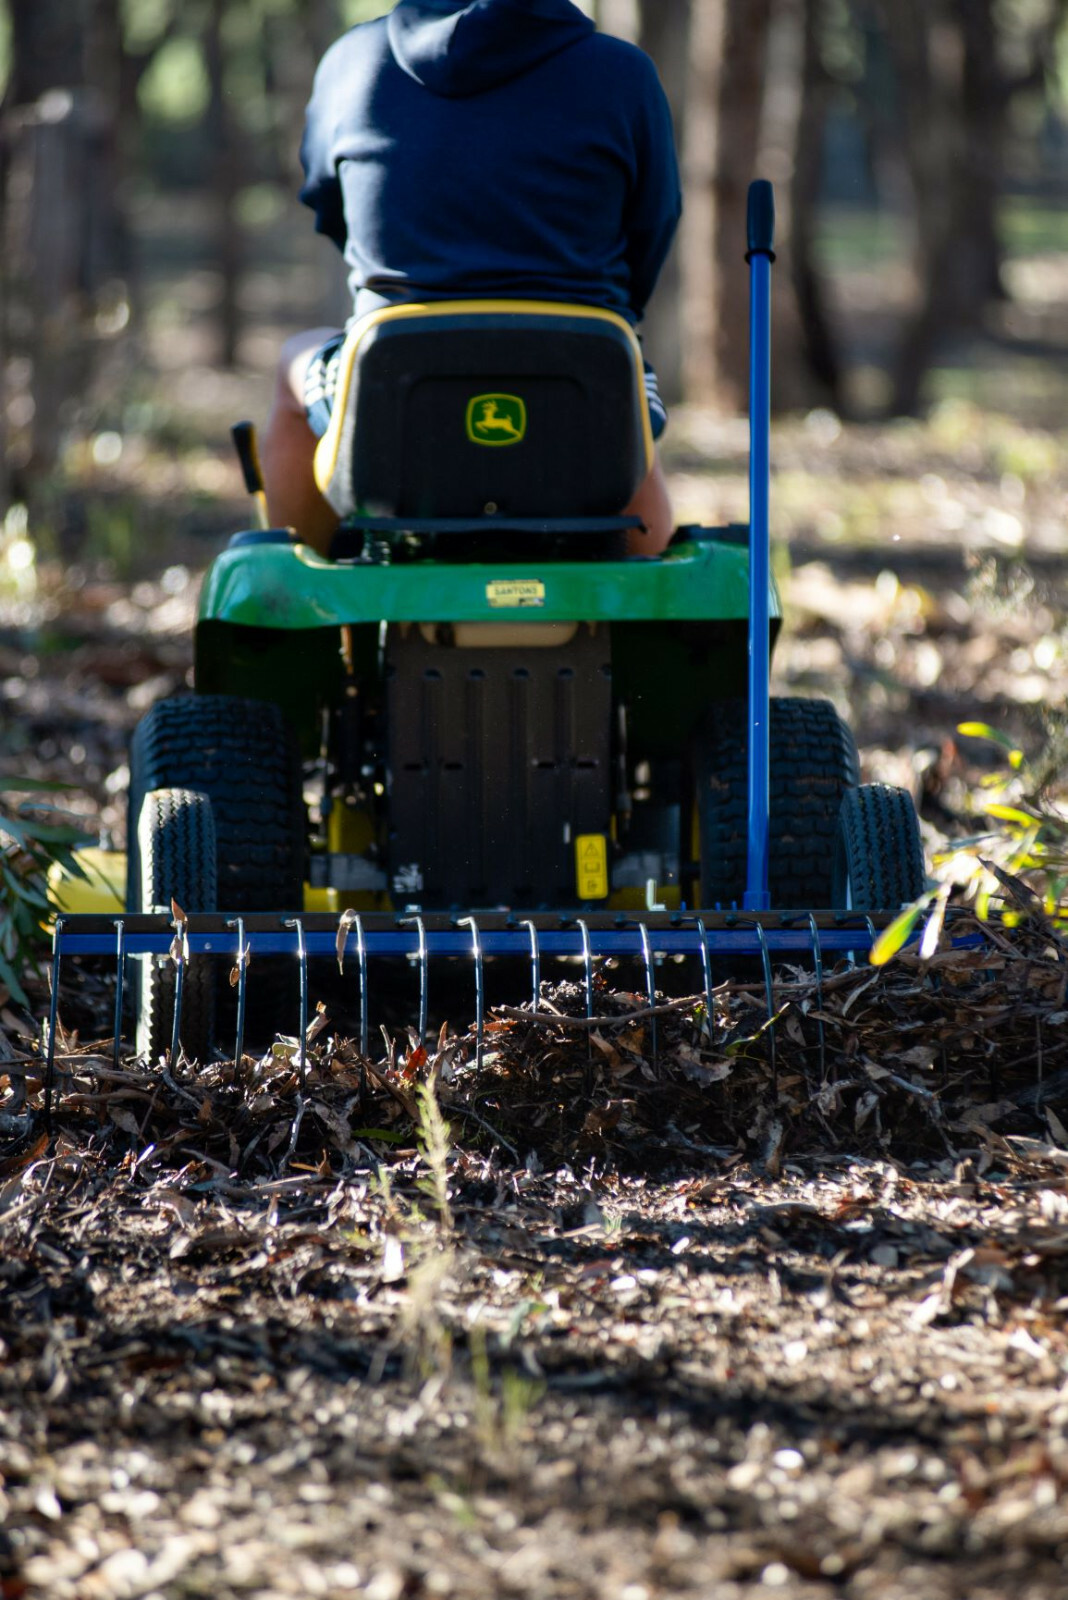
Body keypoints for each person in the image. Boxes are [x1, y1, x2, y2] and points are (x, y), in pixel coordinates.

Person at [261, 0, 682, 557]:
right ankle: (639, 621)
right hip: (578, 385)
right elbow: (651, 231)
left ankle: (303, 597)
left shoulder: (350, 62)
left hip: (395, 394)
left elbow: (332, 210)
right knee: (618, 427)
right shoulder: (625, 74)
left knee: (298, 355)